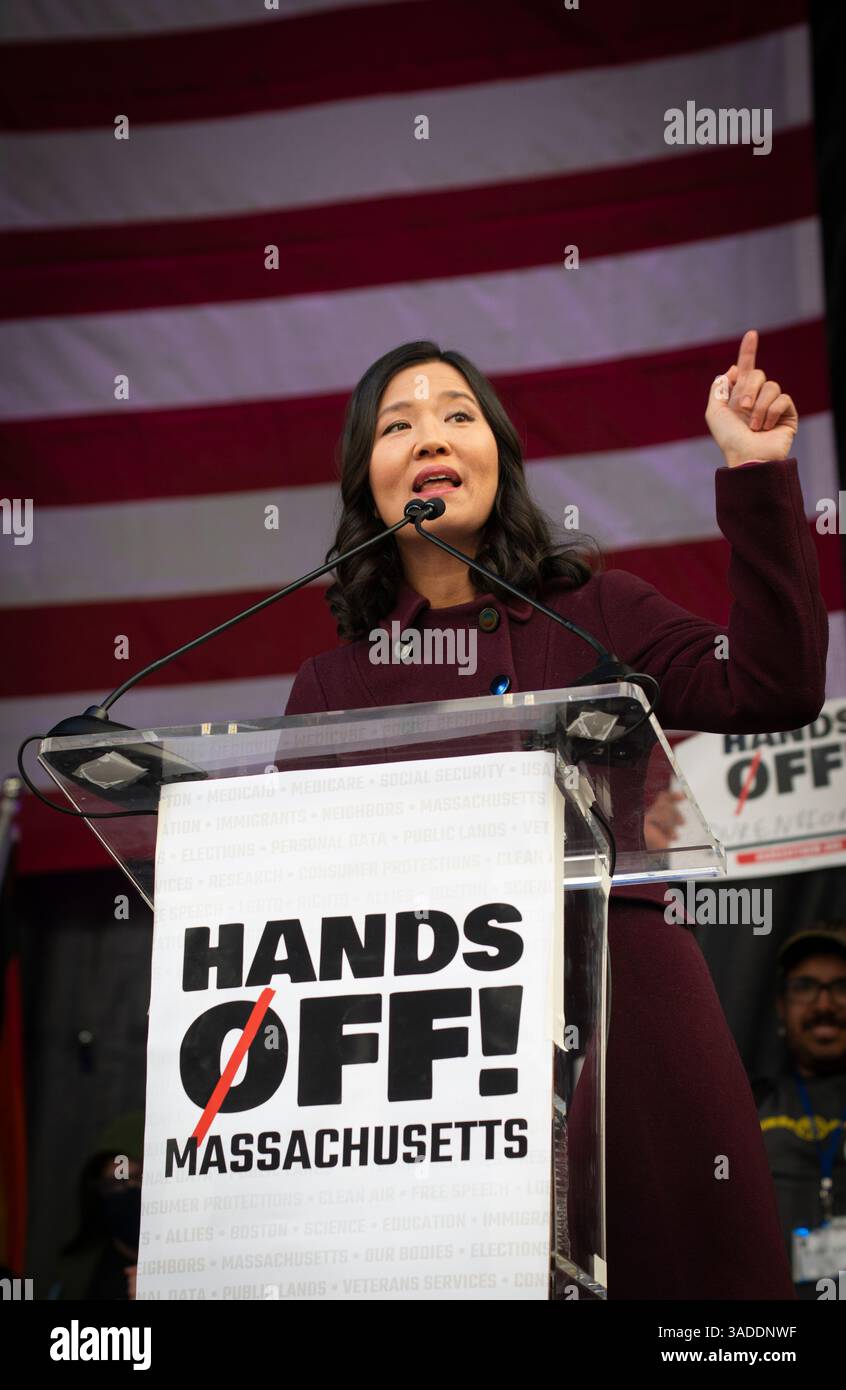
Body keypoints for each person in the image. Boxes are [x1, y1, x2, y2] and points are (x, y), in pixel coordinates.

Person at [285, 328, 827, 1299]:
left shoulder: (600, 611)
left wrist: (755, 472)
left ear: (499, 453)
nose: (433, 434)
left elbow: (772, 686)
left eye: (459, 414)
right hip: (427, 1048)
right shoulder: (331, 686)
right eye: (399, 423)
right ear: (368, 482)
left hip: (631, 1019)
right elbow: (300, 907)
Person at [754, 926, 846, 1298]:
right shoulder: (748, 1105)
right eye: (805, 987)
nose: (824, 1006)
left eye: (841, 987)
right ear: (781, 1006)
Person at [47, 1111, 143, 1300]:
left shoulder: (200, 1266)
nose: (130, 1191)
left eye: (140, 1178)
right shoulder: (75, 1274)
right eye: (116, 1183)